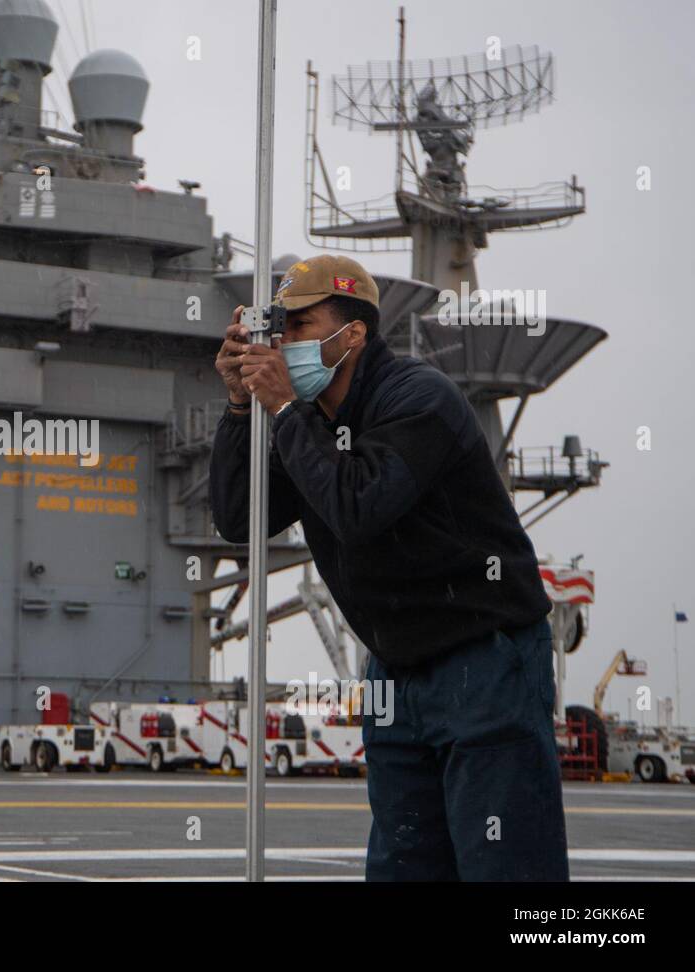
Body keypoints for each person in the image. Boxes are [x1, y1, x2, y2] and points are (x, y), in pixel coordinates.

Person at [209, 254, 566, 881]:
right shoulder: (316, 423)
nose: (281, 342)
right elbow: (240, 518)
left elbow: (358, 505)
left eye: (297, 326)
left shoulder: (419, 398)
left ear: (352, 336)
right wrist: (241, 410)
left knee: (507, 871)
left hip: (484, 659)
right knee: (404, 867)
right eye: (278, 328)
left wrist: (288, 413)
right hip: (395, 671)